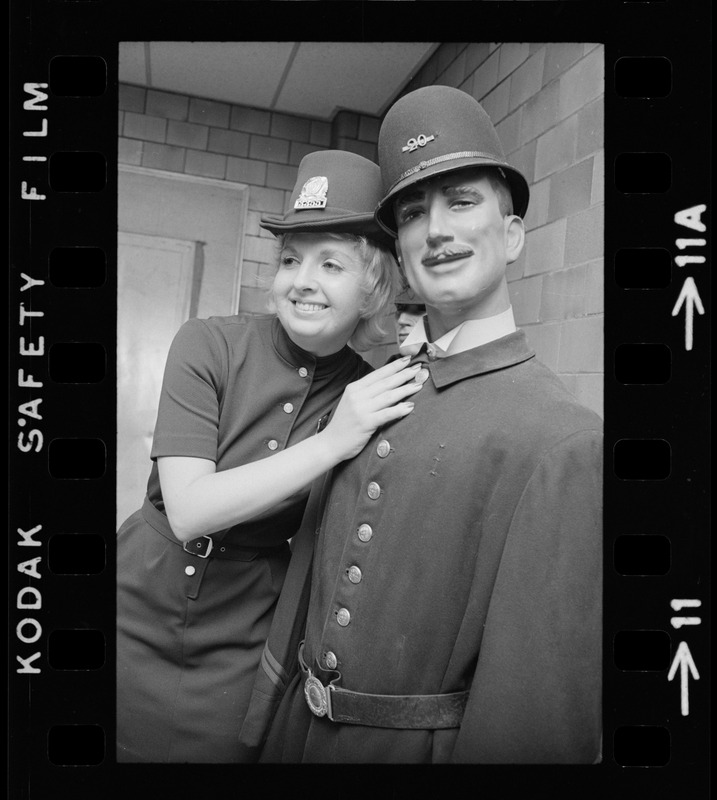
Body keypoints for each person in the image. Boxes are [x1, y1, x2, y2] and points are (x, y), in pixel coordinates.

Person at [243, 85, 603, 764]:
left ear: (512, 234)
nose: (434, 229)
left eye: (461, 202)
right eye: (413, 213)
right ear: (402, 253)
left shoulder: (564, 441)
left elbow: (534, 714)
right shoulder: (370, 390)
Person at [116, 149, 424, 763]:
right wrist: (332, 441)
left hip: (247, 634)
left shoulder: (366, 392)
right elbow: (189, 510)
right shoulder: (207, 344)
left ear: (373, 287)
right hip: (135, 602)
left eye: (330, 263)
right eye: (289, 259)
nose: (301, 280)